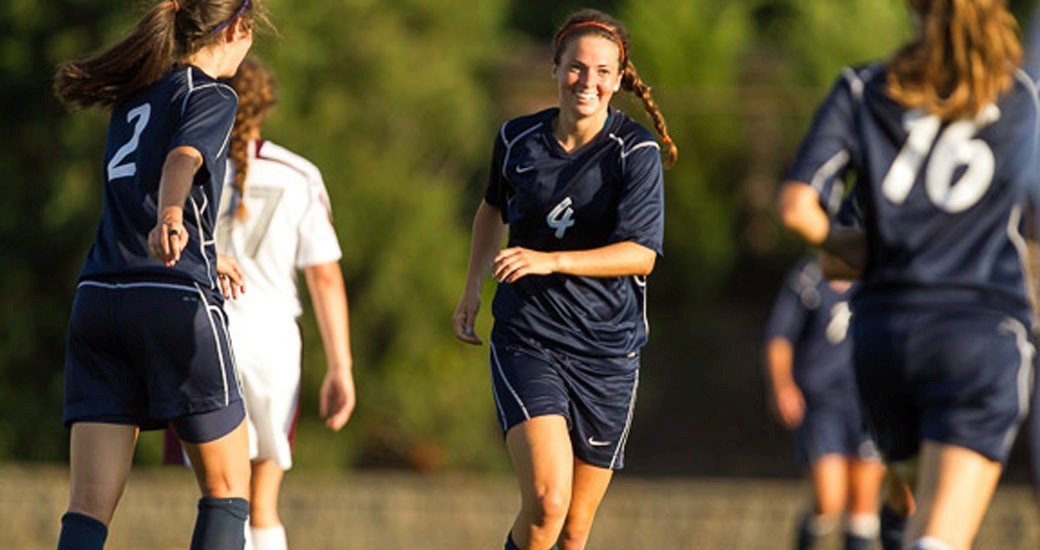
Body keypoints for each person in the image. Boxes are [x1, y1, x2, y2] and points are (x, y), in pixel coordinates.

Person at [777, 1, 1036, 548]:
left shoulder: (864, 88)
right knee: (939, 537)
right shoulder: (1019, 97)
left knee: (908, 511)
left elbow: (801, 211)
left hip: (884, 342)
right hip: (980, 336)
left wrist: (861, 246)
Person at [452, 9, 677, 550]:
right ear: (555, 69)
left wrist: (552, 260)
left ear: (619, 80)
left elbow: (641, 254)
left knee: (574, 531)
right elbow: (491, 211)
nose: (588, 82)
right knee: (547, 504)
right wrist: (472, 288)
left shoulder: (634, 151)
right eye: (576, 68)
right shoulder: (516, 139)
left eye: (603, 71)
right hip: (529, 339)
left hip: (608, 353)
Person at [52, 0, 266, 548]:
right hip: (171, 302)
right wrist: (174, 215)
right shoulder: (212, 94)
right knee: (227, 491)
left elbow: (133, 192)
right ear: (237, 29)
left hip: (99, 298)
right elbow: (181, 160)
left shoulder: (133, 99)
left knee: (86, 509)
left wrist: (200, 242)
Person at [216, 56, 357, 550]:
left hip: (205, 337)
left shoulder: (187, 166)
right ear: (266, 106)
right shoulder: (299, 175)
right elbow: (323, 275)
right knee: (262, 502)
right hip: (272, 342)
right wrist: (340, 366)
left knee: (218, 497)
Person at [764, 255, 884, 550]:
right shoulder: (807, 278)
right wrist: (782, 385)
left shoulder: (879, 275)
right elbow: (779, 337)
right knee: (829, 500)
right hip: (821, 403)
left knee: (863, 504)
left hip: (870, 403)